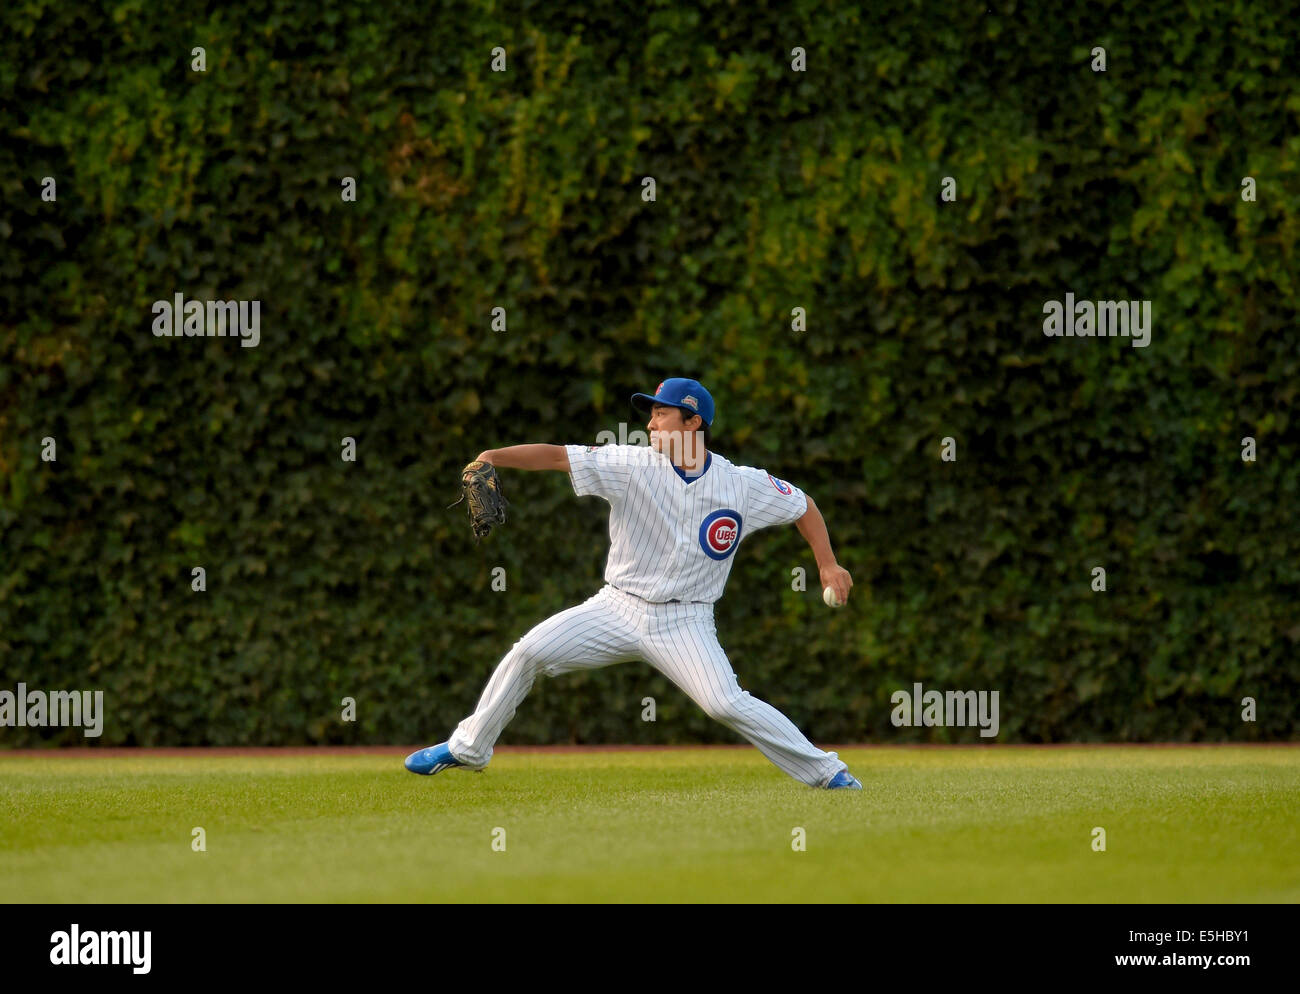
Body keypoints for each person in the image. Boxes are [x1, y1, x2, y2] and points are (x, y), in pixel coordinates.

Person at [406, 377, 862, 789]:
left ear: (693, 421)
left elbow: (803, 505)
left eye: (661, 413)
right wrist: (491, 457)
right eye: (651, 412)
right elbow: (558, 455)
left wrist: (827, 564)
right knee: (527, 652)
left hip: (686, 621)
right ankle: (467, 748)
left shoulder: (740, 485)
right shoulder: (630, 464)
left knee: (725, 703)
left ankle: (828, 772)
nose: (650, 423)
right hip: (616, 608)